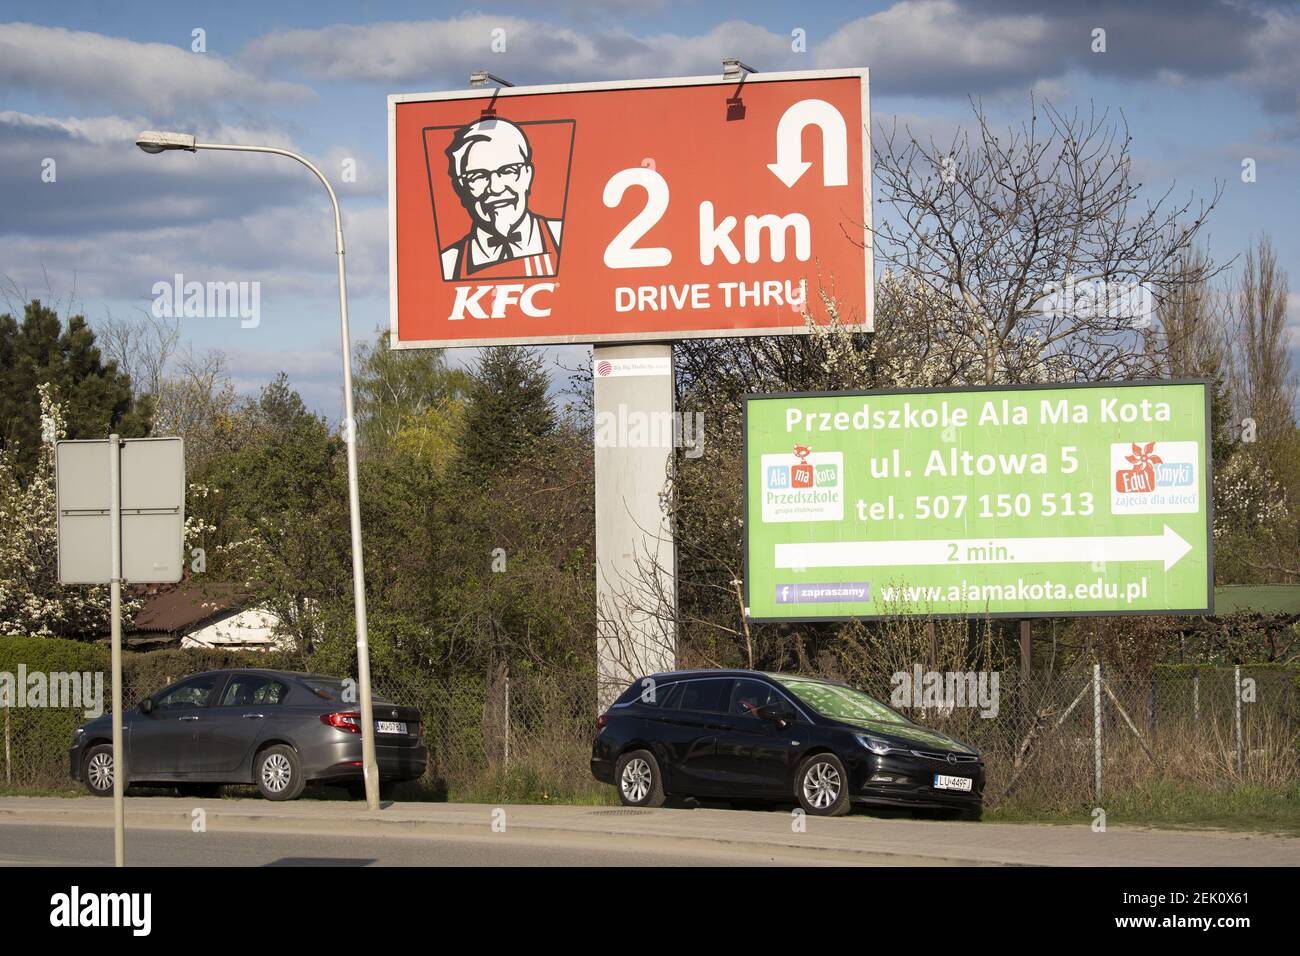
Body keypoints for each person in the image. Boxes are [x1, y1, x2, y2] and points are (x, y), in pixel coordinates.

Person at [440, 117, 562, 280]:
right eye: (478, 176)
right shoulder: (448, 263)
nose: (496, 188)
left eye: (508, 171)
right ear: (461, 187)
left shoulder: (563, 237)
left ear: (528, 175)